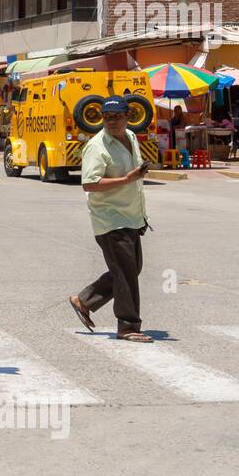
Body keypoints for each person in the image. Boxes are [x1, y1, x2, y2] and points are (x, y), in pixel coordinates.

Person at [68, 97, 152, 343]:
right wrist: (128, 178)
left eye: (117, 116)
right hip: (110, 217)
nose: (112, 121)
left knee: (131, 268)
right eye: (107, 117)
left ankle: (84, 300)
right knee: (126, 273)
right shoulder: (97, 146)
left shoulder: (132, 137)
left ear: (128, 116)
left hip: (132, 215)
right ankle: (128, 326)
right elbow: (90, 183)